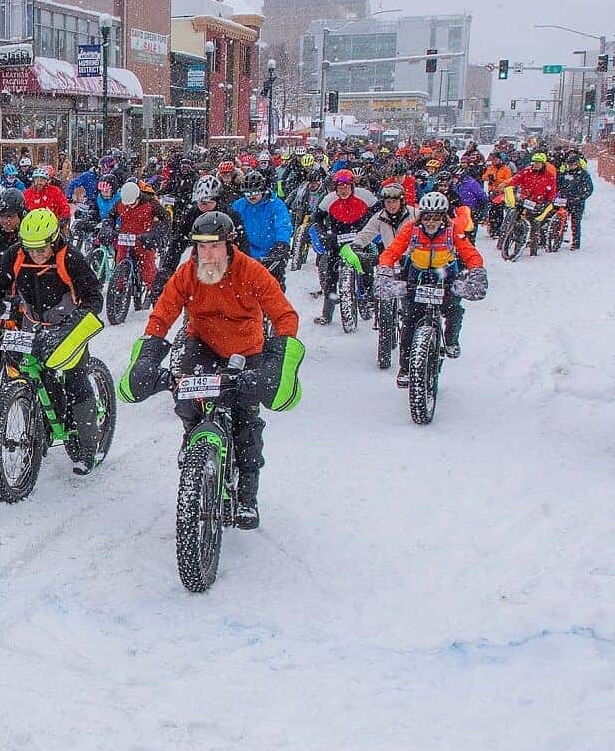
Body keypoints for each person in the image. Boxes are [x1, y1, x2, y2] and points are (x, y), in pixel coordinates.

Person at [121, 211, 302, 529]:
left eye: (215, 246)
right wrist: (149, 353)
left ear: (229, 245)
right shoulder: (188, 273)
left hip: (246, 350)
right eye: (201, 247)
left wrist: (276, 359)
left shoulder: (251, 271)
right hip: (201, 343)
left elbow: (284, 314)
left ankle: (247, 497)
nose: (208, 254)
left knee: (246, 422)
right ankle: (193, 438)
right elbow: (163, 314)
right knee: (186, 394)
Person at [0, 207, 106, 474]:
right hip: (29, 324)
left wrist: (64, 331)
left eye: (42, 249)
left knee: (75, 380)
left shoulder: (71, 259)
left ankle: (89, 446)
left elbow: (93, 299)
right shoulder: (16, 255)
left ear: (54, 240)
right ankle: (37, 419)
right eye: (31, 249)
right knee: (27, 373)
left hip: (68, 327)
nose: (36, 255)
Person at [376, 191, 487, 383]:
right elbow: (392, 251)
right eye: (427, 217)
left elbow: (471, 254)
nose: (431, 222)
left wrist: (476, 273)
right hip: (416, 275)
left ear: (443, 216)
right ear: (421, 216)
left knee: (453, 310)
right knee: (410, 321)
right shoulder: (411, 229)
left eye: (436, 217)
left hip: (444, 275)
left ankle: (451, 341)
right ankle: (405, 368)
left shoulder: (454, 231)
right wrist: (385, 271)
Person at [153, 174, 244, 300]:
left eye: (207, 203)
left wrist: (242, 274)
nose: (202, 206)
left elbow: (242, 244)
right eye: (199, 202)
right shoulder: (193, 213)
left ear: (216, 200)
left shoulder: (230, 215)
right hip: (199, 265)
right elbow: (178, 241)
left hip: (225, 267)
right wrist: (167, 268)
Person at [312, 169, 377, 326]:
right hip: (338, 239)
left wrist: (373, 230)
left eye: (346, 186)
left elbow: (379, 213)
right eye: (339, 187)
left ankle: (369, 298)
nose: (343, 190)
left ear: (352, 185)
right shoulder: (329, 200)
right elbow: (317, 219)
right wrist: (324, 236)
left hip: (361, 238)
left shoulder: (365, 196)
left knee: (367, 267)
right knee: (331, 275)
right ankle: (327, 313)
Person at [231, 170, 294, 287]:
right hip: (246, 252)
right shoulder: (238, 205)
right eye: (247, 193)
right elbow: (229, 224)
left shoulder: (276, 205)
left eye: (255, 192)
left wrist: (282, 243)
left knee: (274, 285)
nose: (251, 196)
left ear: (262, 189)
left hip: (271, 252)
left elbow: (283, 224)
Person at [504, 152, 558, 256]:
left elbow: (552, 192)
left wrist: (547, 202)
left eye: (539, 163)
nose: (536, 164)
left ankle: (533, 251)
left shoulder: (549, 176)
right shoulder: (526, 172)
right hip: (525, 200)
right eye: (535, 162)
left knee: (535, 226)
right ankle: (513, 244)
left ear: (543, 164)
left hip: (538, 203)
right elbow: (515, 179)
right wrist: (505, 184)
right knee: (516, 221)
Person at [556, 149, 593, 250]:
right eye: (569, 164)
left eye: (572, 164)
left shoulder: (584, 175)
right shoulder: (565, 174)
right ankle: (557, 238)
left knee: (575, 223)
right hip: (564, 201)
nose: (571, 166)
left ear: (577, 164)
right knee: (559, 220)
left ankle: (576, 243)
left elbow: (589, 189)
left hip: (577, 203)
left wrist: (580, 197)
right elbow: (558, 184)